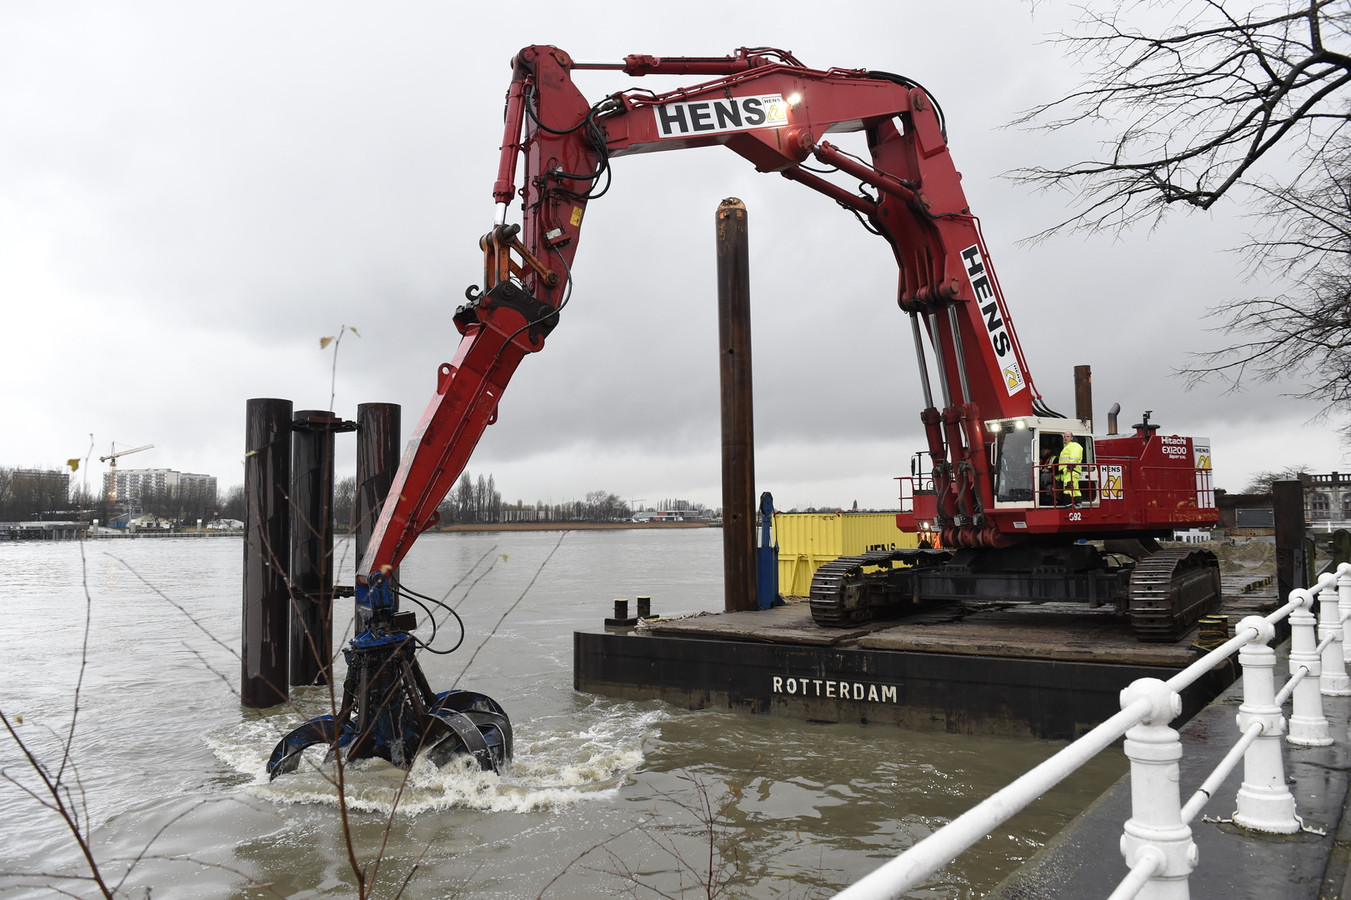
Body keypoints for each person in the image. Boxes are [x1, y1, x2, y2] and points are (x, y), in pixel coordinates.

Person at [1057, 431, 1084, 507]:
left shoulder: (1074, 446)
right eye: (1064, 437)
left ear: (1072, 437)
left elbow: (1074, 457)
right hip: (1067, 471)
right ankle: (1077, 504)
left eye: (1067, 436)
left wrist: (1070, 466)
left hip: (1071, 470)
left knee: (1069, 488)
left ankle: (1069, 504)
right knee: (1074, 489)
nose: (1065, 438)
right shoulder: (1069, 446)